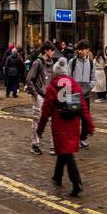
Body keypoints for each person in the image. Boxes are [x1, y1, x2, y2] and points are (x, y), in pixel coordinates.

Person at [35, 68, 92, 198]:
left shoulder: (53, 86)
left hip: (59, 122)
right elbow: (83, 106)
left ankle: (76, 182)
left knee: (66, 152)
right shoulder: (74, 84)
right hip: (73, 123)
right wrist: (89, 124)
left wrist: (40, 129)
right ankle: (57, 176)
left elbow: (46, 110)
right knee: (63, 150)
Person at [25, 44, 57, 155]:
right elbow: (29, 80)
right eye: (51, 50)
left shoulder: (52, 64)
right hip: (39, 95)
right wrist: (35, 94)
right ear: (46, 51)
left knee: (54, 121)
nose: (53, 52)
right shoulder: (37, 63)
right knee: (37, 120)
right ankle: (35, 145)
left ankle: (54, 146)